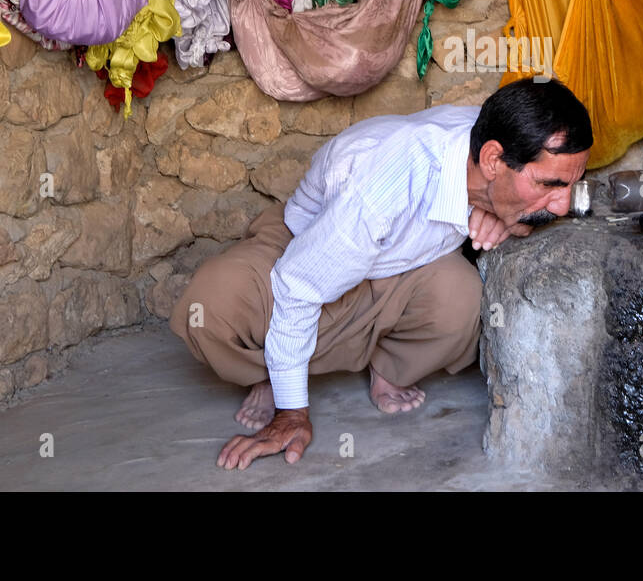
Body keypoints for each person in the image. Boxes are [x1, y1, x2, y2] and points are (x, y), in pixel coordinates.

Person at [170, 77, 593, 470]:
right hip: (307, 250)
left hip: (400, 267)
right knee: (212, 307)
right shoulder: (385, 186)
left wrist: (508, 215)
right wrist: (291, 412)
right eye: (549, 186)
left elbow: (536, 192)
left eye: (569, 186)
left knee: (462, 302)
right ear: (492, 160)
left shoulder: (495, 137)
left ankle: (385, 369)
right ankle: (270, 375)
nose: (562, 205)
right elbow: (297, 286)